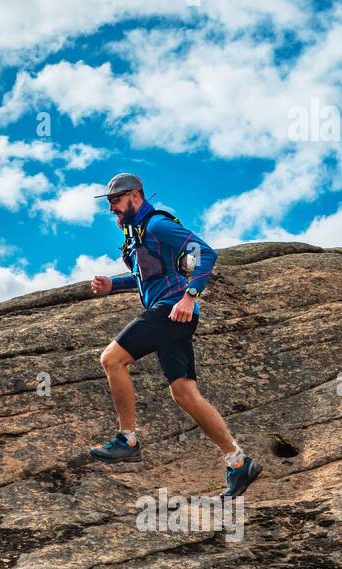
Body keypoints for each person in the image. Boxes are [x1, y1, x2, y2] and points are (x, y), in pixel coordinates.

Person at [88, 173, 262, 498]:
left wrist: (190, 295)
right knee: (184, 394)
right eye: (109, 202)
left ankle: (128, 440)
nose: (112, 207)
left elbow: (206, 253)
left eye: (116, 200)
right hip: (172, 313)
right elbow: (147, 277)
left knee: (111, 360)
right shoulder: (137, 234)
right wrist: (114, 284)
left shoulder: (156, 225)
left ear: (135, 196)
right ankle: (238, 462)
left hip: (172, 310)